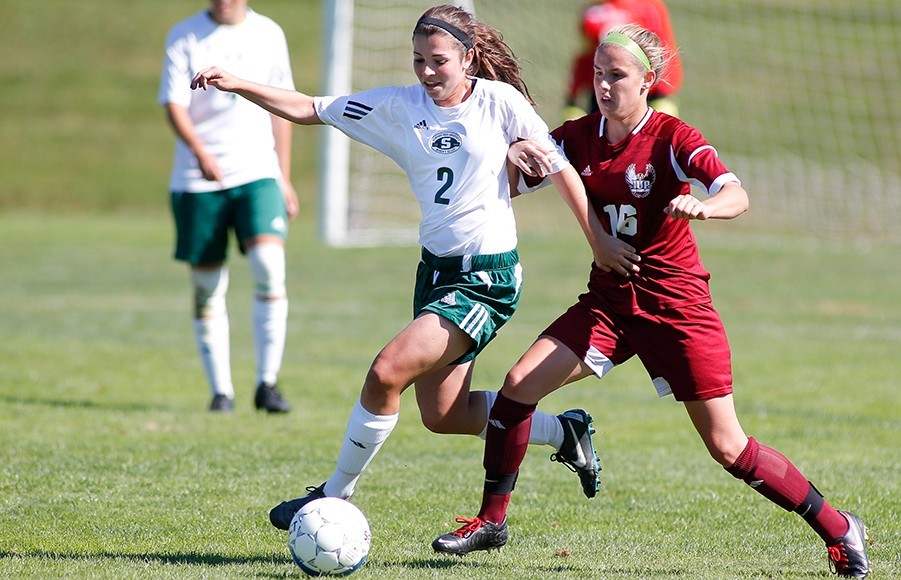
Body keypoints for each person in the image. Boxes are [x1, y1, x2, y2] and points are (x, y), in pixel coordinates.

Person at [432, 24, 871, 579]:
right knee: (518, 387)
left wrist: (704, 207)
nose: (604, 85)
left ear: (649, 82)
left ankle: (837, 526)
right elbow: (512, 180)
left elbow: (736, 193)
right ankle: (491, 520)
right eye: (597, 74)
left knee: (728, 446)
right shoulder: (578, 136)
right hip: (609, 306)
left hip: (676, 312)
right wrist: (512, 152)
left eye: (617, 75)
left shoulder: (673, 138)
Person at [191, 5, 638, 530]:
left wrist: (597, 240)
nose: (427, 72)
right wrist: (239, 84)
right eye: (419, 60)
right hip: (436, 274)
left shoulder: (500, 103)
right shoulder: (399, 108)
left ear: (468, 57)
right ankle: (567, 433)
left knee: (386, 372)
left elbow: (559, 169)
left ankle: (332, 496)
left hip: (486, 278)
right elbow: (310, 107)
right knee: (445, 415)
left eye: (439, 61)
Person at [159, 0, 296, 413]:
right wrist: (200, 151)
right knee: (206, 286)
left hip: (257, 172)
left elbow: (282, 105)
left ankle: (267, 384)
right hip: (198, 182)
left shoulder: (269, 32)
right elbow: (172, 103)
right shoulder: (184, 35)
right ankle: (222, 391)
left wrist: (283, 176)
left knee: (269, 267)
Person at [564, 0, 683, 120]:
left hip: (645, 92)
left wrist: (662, 92)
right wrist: (575, 91)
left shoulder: (649, 6)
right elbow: (588, 54)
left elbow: (661, 48)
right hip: (604, 92)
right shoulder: (592, 12)